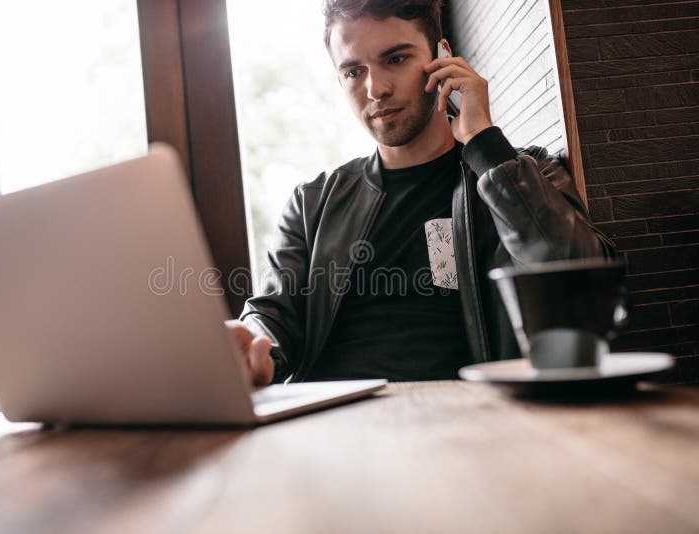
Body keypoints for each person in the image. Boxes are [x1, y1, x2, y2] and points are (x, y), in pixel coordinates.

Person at [226, 0, 615, 386]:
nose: (375, 88)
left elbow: (586, 284)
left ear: (442, 57)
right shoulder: (312, 203)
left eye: (395, 59)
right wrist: (254, 348)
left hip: (462, 420)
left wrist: (486, 147)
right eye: (353, 71)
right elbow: (274, 314)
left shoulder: (520, 176)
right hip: (331, 424)